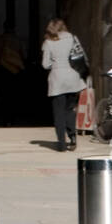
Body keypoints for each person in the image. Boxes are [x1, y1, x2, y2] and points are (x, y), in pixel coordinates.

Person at [41, 18, 84, 151]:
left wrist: (56, 64)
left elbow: (45, 64)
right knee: (70, 110)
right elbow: (79, 56)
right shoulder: (72, 38)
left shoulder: (48, 43)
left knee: (58, 112)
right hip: (73, 78)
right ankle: (72, 137)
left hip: (57, 80)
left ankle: (61, 143)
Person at [0, 22, 26, 125]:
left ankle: (5, 117)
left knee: (3, 94)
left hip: (1, 69)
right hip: (15, 70)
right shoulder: (18, 40)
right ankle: (12, 117)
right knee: (14, 94)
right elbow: (24, 54)